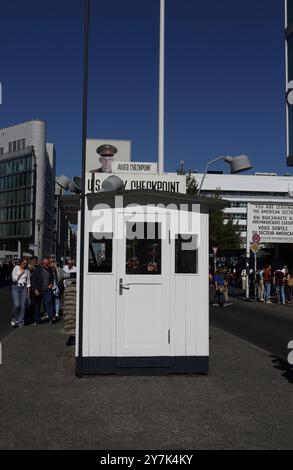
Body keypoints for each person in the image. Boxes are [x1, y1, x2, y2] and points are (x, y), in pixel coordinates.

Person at [31, 257, 54, 324]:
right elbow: (33, 280)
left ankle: (50, 318)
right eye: (47, 264)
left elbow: (52, 277)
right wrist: (35, 289)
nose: (48, 265)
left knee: (49, 302)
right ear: (43, 264)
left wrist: (51, 284)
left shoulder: (50, 270)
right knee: (37, 305)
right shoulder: (38, 270)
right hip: (39, 290)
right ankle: (37, 319)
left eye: (49, 264)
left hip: (47, 290)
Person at [11, 258, 30, 328]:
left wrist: (28, 292)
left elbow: (28, 282)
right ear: (20, 263)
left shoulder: (27, 270)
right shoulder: (15, 268)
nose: (24, 265)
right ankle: (14, 318)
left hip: (24, 288)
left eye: (26, 264)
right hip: (16, 287)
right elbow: (14, 279)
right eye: (23, 263)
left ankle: (20, 321)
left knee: (22, 306)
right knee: (17, 305)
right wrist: (21, 273)